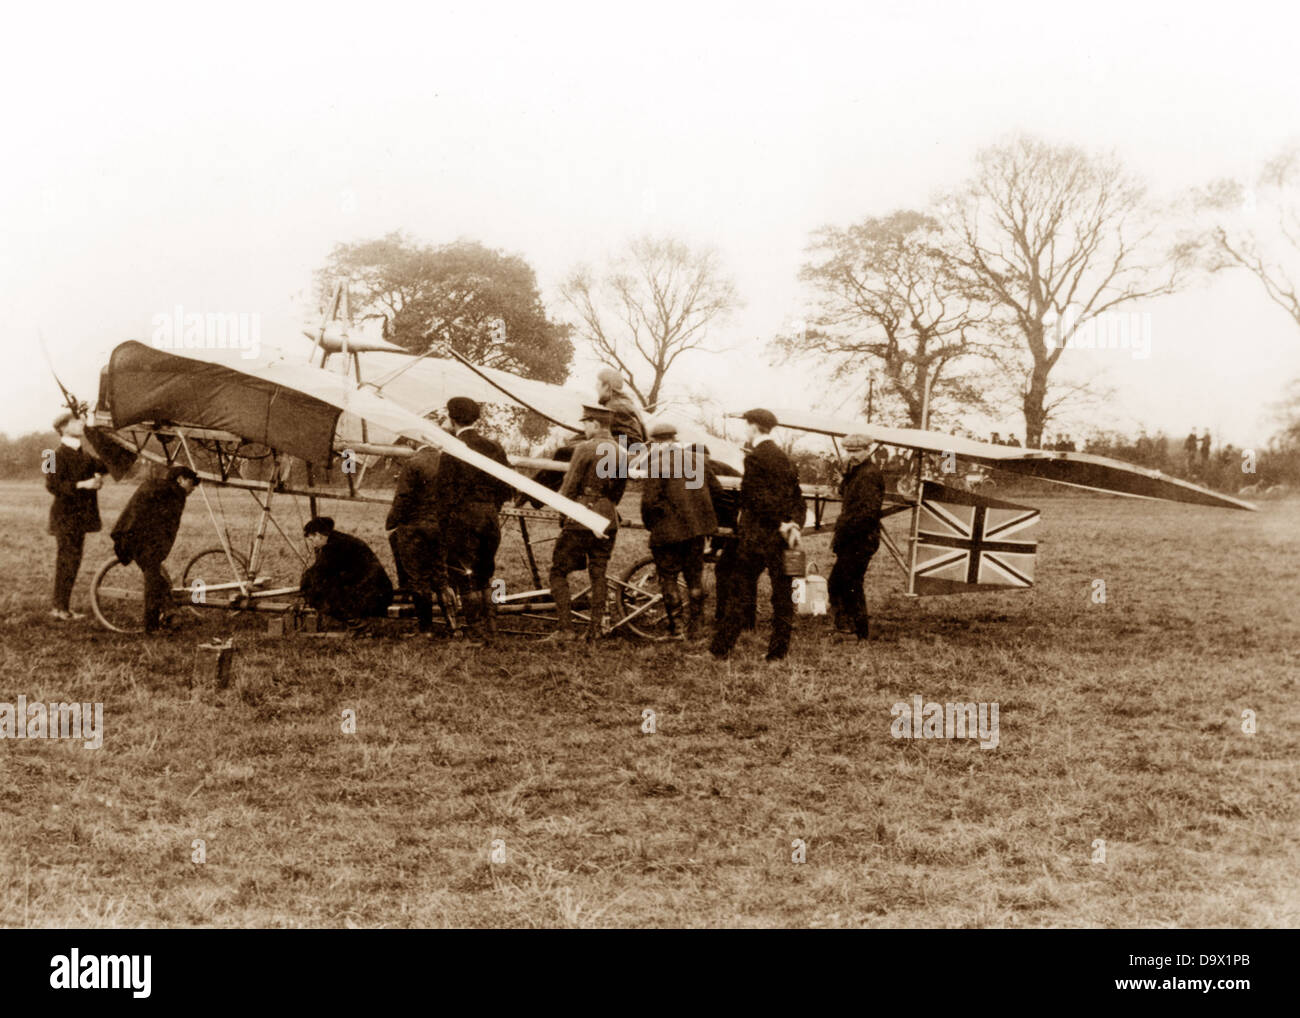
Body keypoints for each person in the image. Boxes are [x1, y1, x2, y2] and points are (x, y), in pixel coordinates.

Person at [710, 408, 805, 663]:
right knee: (783, 596)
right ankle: (778, 652)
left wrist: (778, 523)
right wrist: (793, 524)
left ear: (752, 427)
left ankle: (721, 648)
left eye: (747, 426)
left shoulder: (754, 459)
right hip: (785, 538)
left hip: (758, 538)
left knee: (739, 591)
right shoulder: (786, 459)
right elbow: (797, 498)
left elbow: (754, 499)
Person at [543, 404, 626, 642]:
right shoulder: (621, 452)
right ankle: (595, 629)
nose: (585, 428)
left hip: (582, 516)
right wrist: (606, 506)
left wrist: (563, 514)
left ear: (596, 424)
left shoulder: (585, 448)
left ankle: (566, 629)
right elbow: (619, 490)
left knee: (558, 571)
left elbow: (569, 485)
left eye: (586, 423)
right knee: (598, 573)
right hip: (608, 517)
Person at [435, 396, 513, 640]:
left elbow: (444, 492)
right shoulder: (494, 447)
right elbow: (507, 485)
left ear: (452, 418)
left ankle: (477, 634)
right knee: (484, 574)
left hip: (463, 518)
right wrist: (491, 508)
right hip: (489, 516)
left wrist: (445, 522)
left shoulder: (452, 448)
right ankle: (492, 629)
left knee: (464, 575)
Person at [641, 421, 717, 639]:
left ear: (656, 442)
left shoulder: (657, 463)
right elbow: (718, 492)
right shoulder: (698, 460)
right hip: (696, 532)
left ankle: (677, 630)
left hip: (668, 532)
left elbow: (649, 503)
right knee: (694, 578)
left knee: (669, 579)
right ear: (674, 439)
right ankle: (697, 627)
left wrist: (653, 525)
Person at [385, 431, 459, 635]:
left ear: (413, 441)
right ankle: (452, 625)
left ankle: (426, 629)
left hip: (414, 528)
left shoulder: (413, 463)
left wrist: (391, 521)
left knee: (418, 579)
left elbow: (403, 498)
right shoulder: (448, 463)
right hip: (440, 528)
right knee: (441, 578)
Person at [110, 466, 199, 633]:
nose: (192, 488)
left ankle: (170, 614)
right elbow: (166, 526)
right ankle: (153, 625)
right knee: (153, 580)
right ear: (180, 479)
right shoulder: (174, 493)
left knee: (154, 577)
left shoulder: (155, 485)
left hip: (129, 535)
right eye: (191, 483)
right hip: (142, 541)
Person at [45, 410, 109, 620]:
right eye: (76, 421)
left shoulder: (85, 455)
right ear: (63, 428)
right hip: (65, 518)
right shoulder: (50, 455)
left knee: (71, 561)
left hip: (78, 519)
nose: (81, 424)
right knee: (67, 561)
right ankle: (59, 608)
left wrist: (98, 478)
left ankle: (62, 607)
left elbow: (105, 465)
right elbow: (52, 485)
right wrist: (84, 484)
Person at [828, 436, 885, 640]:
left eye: (857, 450)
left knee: (845, 583)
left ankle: (854, 629)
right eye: (848, 451)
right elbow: (846, 493)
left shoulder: (869, 474)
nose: (851, 455)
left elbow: (868, 511)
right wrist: (844, 478)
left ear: (867, 450)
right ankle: (851, 628)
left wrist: (846, 532)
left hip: (859, 538)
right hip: (852, 537)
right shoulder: (857, 471)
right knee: (844, 583)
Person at [300, 517, 393, 624]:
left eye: (312, 540)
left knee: (318, 592)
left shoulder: (333, 547)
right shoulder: (341, 540)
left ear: (318, 535)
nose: (313, 544)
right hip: (380, 593)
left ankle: (357, 622)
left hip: (371, 596)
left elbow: (318, 572)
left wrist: (305, 588)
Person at [596, 367, 647, 448]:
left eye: (598, 384)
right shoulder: (625, 403)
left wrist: (595, 442)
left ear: (606, 386)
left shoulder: (615, 407)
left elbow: (632, 442)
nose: (596, 388)